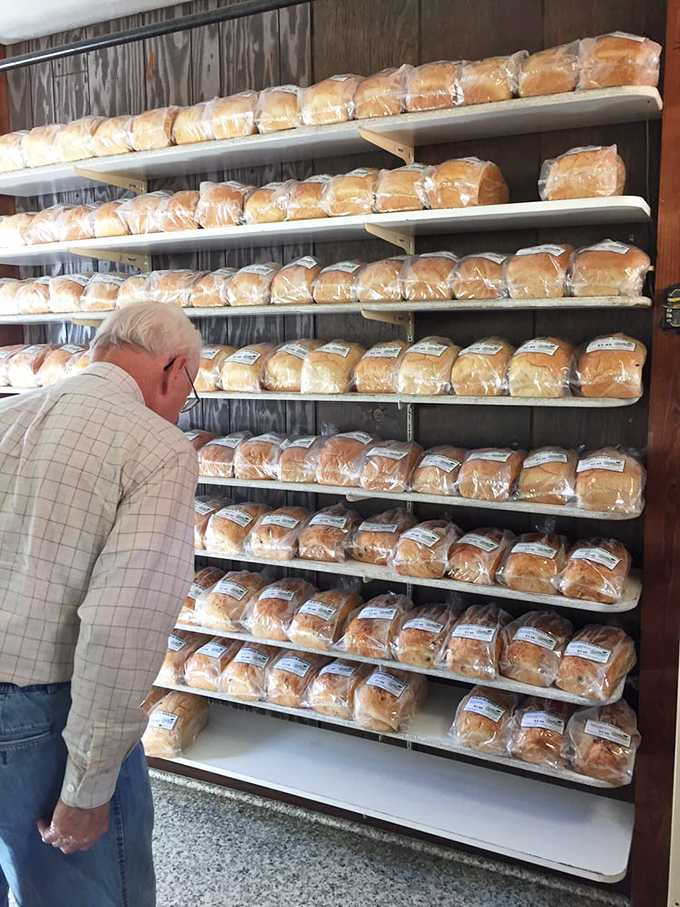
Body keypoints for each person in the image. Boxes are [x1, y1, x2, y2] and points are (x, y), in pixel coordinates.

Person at [0, 301, 203, 907]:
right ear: (172, 369)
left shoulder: (7, 413)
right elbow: (121, 626)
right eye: (189, 390)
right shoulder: (157, 448)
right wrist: (88, 788)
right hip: (42, 720)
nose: (180, 407)